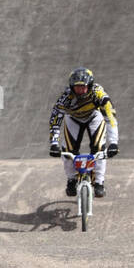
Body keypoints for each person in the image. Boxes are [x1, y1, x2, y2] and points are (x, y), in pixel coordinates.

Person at [48, 67, 119, 199]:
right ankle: (71, 179)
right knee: (68, 149)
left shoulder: (99, 93)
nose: (80, 90)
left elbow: (110, 117)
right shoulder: (65, 97)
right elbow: (55, 119)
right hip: (73, 118)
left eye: (83, 87)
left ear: (90, 86)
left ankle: (99, 182)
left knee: (99, 148)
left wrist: (113, 142)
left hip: (94, 116)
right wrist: (54, 143)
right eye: (77, 87)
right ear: (71, 87)